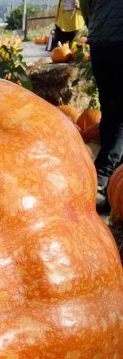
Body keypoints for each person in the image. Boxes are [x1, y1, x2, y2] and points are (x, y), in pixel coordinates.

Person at [82, 0, 123, 213]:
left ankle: (108, 184)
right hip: (119, 38)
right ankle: (103, 178)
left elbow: (85, 5)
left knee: (110, 109)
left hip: (99, 40)